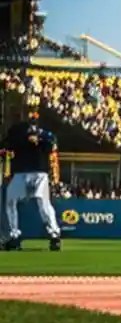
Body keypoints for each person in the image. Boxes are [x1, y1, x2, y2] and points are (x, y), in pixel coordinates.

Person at [3, 99, 62, 252]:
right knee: (10, 201)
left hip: (39, 171)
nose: (31, 113)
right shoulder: (17, 129)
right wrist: (27, 139)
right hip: (21, 170)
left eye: (33, 110)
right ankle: (14, 236)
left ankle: (54, 235)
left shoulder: (44, 129)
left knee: (43, 204)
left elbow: (52, 143)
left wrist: (40, 138)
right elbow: (8, 144)